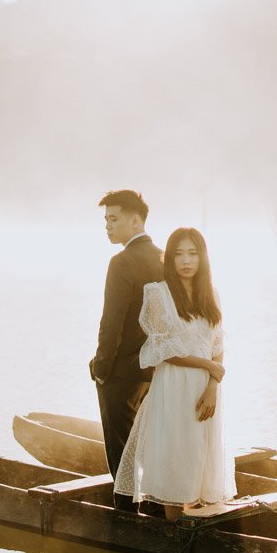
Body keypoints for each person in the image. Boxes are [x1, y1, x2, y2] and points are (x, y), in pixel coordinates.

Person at [114, 228, 236, 519]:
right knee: (175, 459)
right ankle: (174, 530)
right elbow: (164, 350)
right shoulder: (158, 293)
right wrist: (208, 366)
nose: (186, 261)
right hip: (173, 387)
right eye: (179, 254)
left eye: (192, 253)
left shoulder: (212, 295)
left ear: (202, 258)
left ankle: (196, 526)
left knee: (200, 458)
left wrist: (212, 386)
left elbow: (217, 345)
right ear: (168, 258)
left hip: (204, 390)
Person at [91, 190, 164, 512]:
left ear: (136, 220)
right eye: (106, 220)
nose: (107, 226)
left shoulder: (122, 261)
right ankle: (155, 507)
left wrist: (101, 368)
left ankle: (125, 514)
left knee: (121, 450)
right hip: (159, 368)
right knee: (152, 443)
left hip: (123, 371)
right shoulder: (165, 258)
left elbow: (112, 321)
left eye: (114, 219)